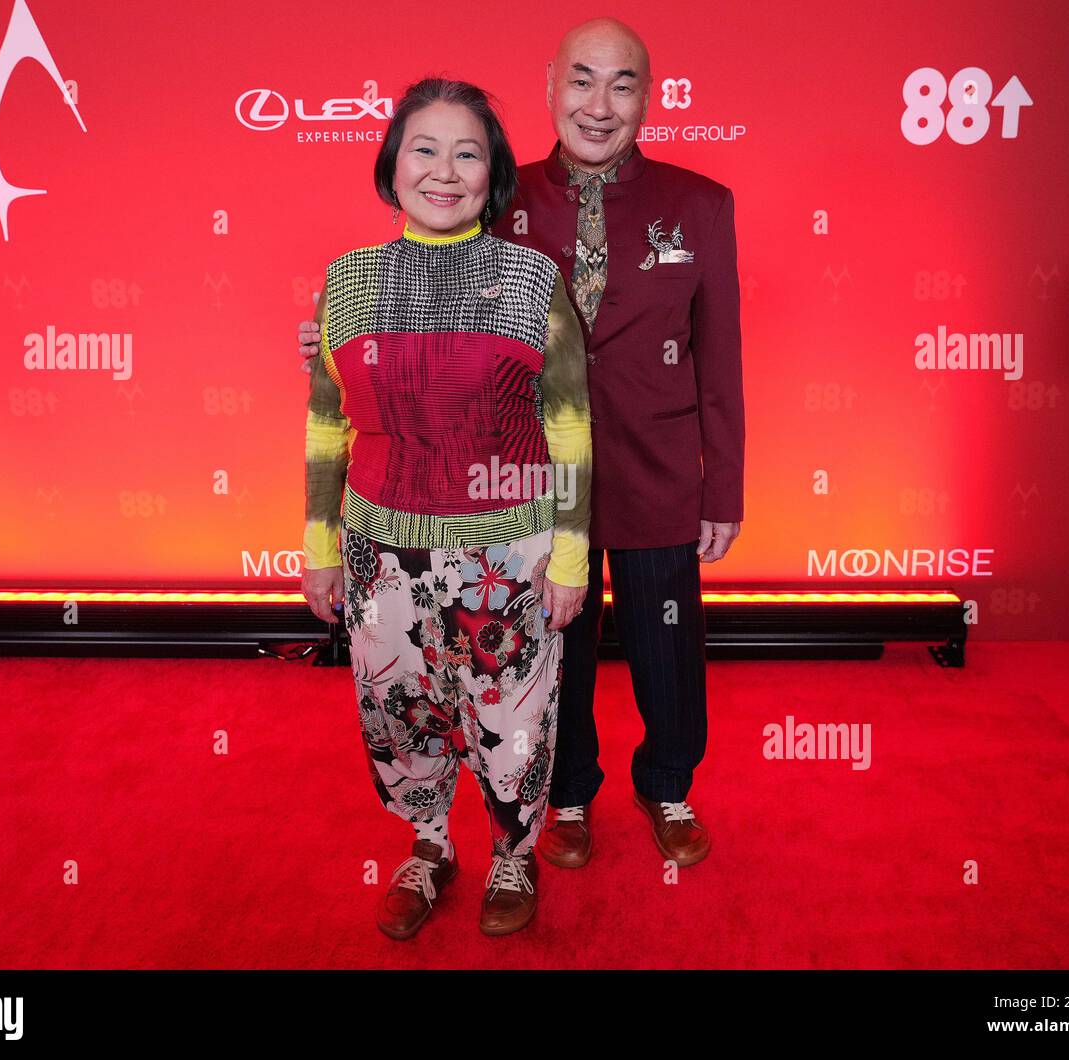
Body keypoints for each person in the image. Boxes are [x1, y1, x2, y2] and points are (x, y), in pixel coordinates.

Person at [302, 18, 743, 873]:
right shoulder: (493, 196)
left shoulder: (701, 204)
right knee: (554, 651)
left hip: (656, 470)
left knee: (667, 644)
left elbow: (720, 355)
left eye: (623, 85)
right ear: (551, 86)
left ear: (648, 97)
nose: (600, 104)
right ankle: (568, 794)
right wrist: (331, 340)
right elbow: (428, 297)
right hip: (524, 480)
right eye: (582, 81)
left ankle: (670, 785)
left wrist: (721, 487)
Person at [301, 77, 593, 939]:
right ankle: (430, 846)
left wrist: (570, 556)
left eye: (468, 153)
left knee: (511, 724)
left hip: (507, 556)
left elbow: (570, 427)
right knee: (401, 716)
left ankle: (513, 848)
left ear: (493, 175)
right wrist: (320, 546)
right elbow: (326, 425)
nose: (444, 170)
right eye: (424, 149)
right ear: (393, 166)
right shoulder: (346, 281)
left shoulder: (533, 277)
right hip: (378, 553)